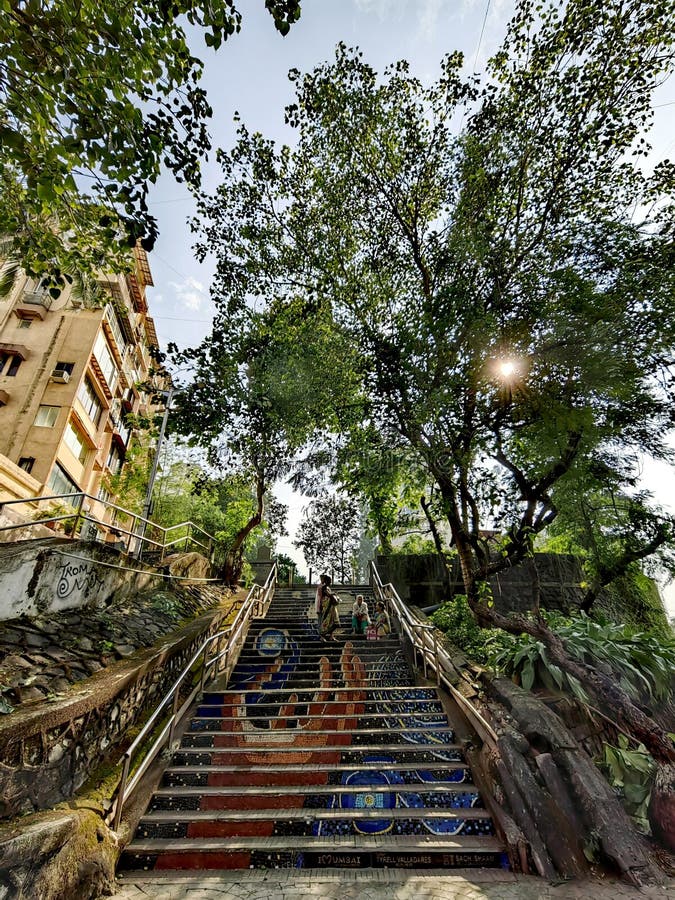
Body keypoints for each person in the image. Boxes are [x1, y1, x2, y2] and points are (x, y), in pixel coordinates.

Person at [318, 575, 341, 641]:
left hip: (332, 607)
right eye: (329, 581)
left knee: (333, 622)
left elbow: (330, 595)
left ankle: (331, 636)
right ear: (326, 581)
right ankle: (322, 636)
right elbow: (328, 595)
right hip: (327, 607)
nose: (330, 582)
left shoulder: (328, 588)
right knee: (326, 621)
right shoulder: (323, 588)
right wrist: (334, 594)